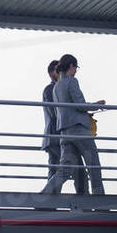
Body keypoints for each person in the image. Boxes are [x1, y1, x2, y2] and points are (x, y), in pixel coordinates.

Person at [40, 53, 105, 196]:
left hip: (64, 133)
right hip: (80, 131)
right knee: (93, 165)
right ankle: (100, 202)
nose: (76, 71)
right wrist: (96, 105)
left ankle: (45, 194)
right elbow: (80, 105)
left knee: (65, 169)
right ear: (71, 66)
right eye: (76, 67)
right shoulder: (72, 81)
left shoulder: (56, 87)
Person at [42, 59, 87, 193]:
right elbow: (57, 113)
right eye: (57, 69)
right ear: (51, 73)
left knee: (57, 171)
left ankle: (48, 203)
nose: (61, 70)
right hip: (58, 135)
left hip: (56, 137)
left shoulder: (55, 88)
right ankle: (84, 201)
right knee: (77, 169)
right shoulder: (52, 89)